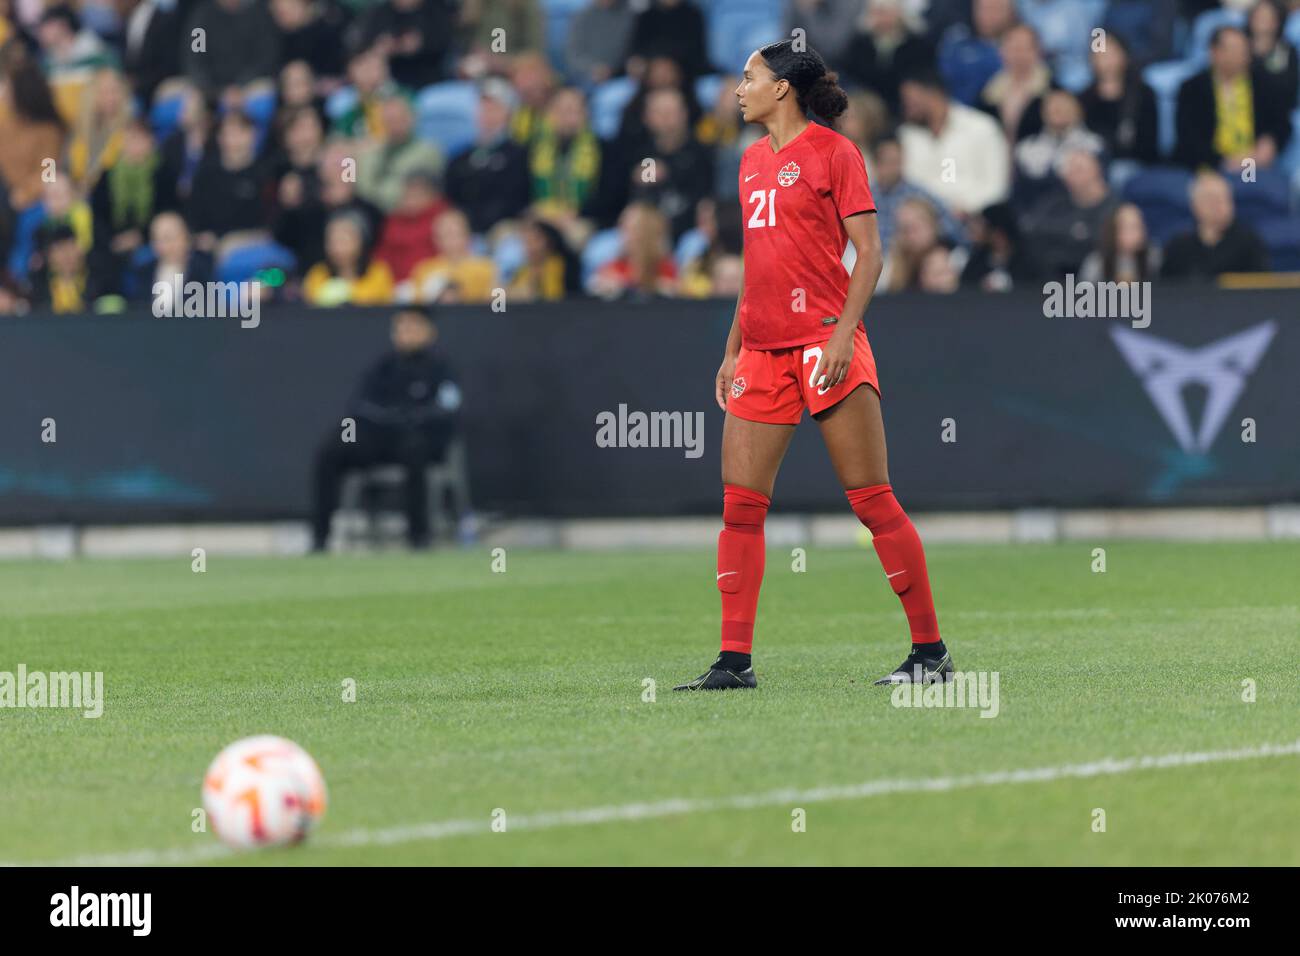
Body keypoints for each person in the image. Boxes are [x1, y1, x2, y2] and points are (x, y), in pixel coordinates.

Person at [674, 39, 952, 692]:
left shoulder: (835, 153)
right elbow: (758, 266)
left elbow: (870, 254)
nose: (738, 90)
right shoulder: (746, 164)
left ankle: (930, 652)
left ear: (783, 89)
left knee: (871, 499)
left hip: (826, 344)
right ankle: (734, 662)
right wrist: (732, 346)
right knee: (740, 508)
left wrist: (843, 335)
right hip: (763, 352)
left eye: (749, 78)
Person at [311, 306, 462, 552]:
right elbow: (360, 404)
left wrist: (414, 420)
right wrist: (384, 420)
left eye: (413, 327)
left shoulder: (441, 368)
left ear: (429, 332)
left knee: (415, 451)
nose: (406, 333)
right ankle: (320, 538)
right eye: (401, 328)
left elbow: (447, 408)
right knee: (330, 451)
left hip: (418, 438)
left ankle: (418, 538)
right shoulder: (383, 366)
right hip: (379, 437)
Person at [1174, 25, 1292, 171]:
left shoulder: (1263, 85)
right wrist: (1224, 162)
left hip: (1252, 166)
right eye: (1235, 50)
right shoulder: (1192, 89)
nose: (1243, 56)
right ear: (1214, 52)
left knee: (1261, 188)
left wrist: (1271, 142)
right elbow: (1188, 138)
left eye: (1245, 50)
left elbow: (1281, 124)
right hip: (1206, 167)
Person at [1161, 171, 1268, 279]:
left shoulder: (1250, 242)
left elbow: (1261, 288)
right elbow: (1164, 288)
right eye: (1211, 200)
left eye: (1224, 199)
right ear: (1194, 205)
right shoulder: (1178, 247)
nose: (1219, 206)